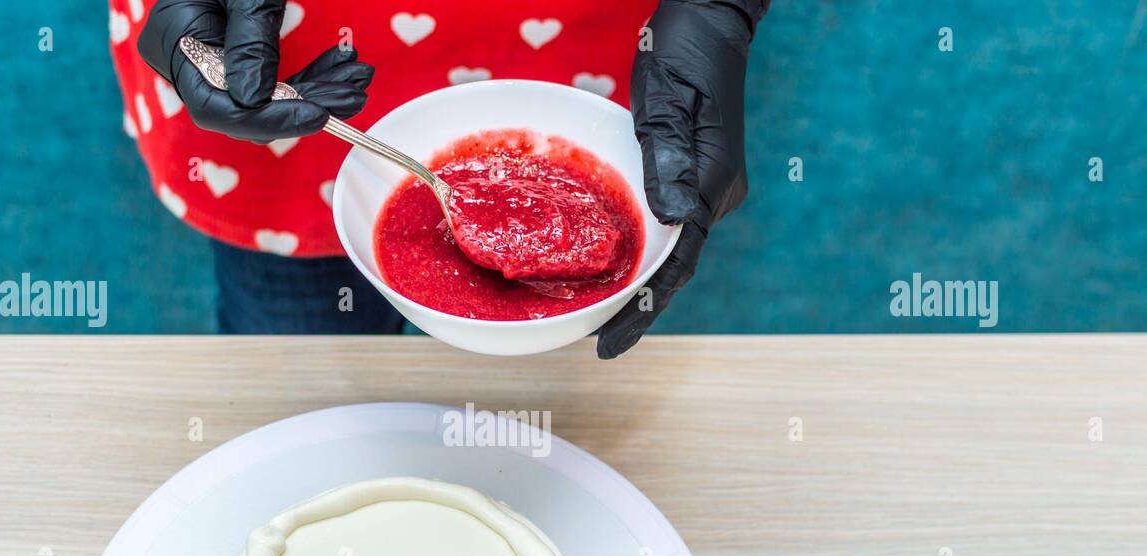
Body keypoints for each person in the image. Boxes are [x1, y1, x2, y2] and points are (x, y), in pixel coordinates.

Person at [111, 0, 767, 356]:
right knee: (304, 391)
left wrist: (716, 7)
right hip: (287, 58)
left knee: (547, 449)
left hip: (574, 41)